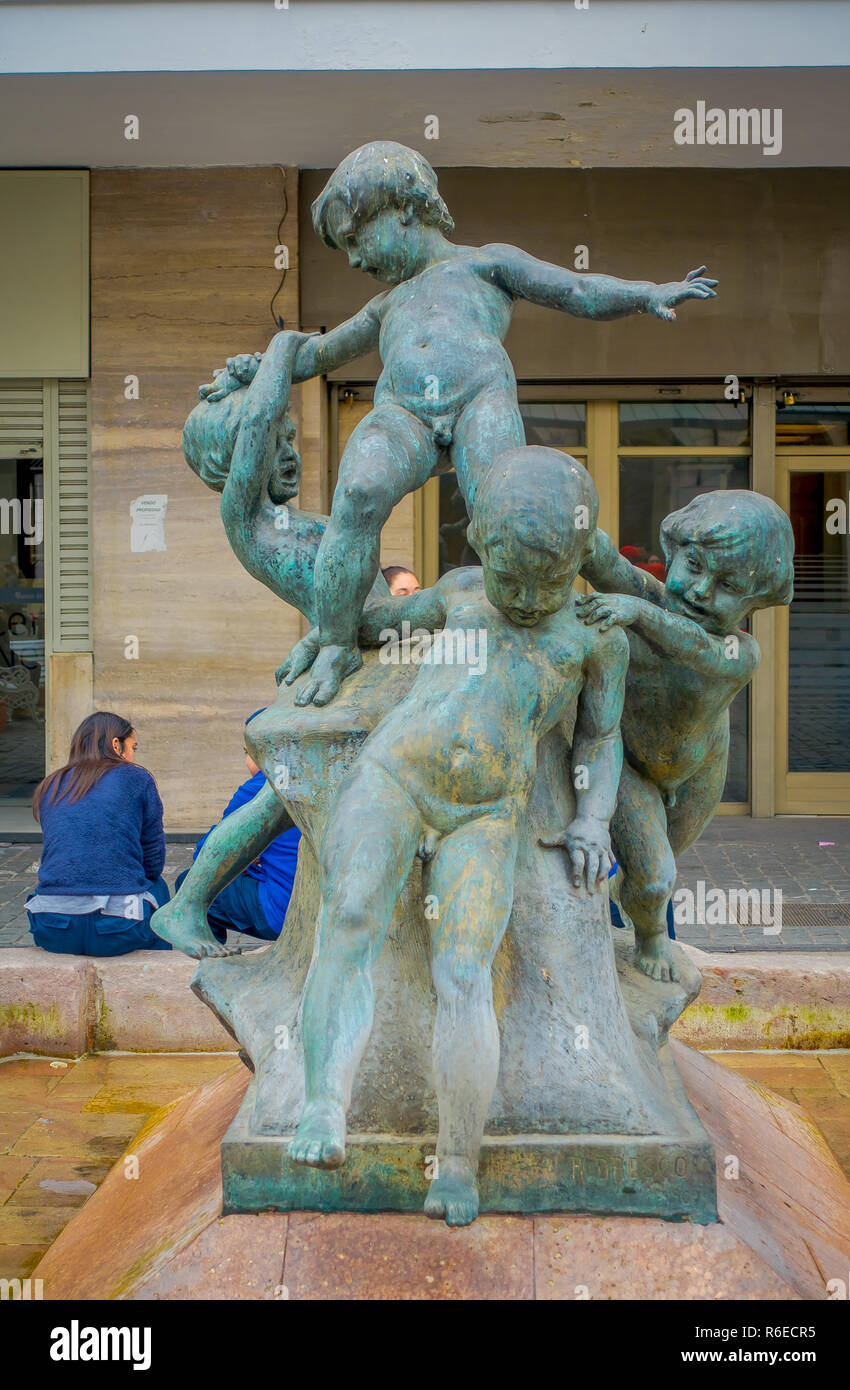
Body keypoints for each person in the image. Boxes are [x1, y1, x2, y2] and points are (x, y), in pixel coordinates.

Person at [205, 140, 716, 707]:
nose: (353, 260)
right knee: (355, 493)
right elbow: (316, 356)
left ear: (405, 207)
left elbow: (575, 290)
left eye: (356, 238)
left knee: (517, 511)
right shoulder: (385, 305)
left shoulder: (484, 263)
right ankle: (336, 642)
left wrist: (646, 293)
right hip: (403, 412)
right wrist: (256, 369)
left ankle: (632, 592)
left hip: (480, 400)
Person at [286, 446, 627, 1228]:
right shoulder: (462, 593)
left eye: (549, 585)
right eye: (513, 581)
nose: (530, 600)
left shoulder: (594, 641)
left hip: (486, 815)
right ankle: (321, 1108)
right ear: (480, 546)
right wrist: (328, 638)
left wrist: (592, 818)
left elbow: (598, 742)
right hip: (395, 777)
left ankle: (459, 1158)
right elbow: (378, 625)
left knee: (465, 972)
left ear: (580, 558)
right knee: (349, 917)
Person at [579, 490, 794, 982]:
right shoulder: (648, 595)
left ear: (756, 602)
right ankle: (650, 938)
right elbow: (604, 560)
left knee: (658, 874)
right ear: (673, 550)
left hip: (696, 775)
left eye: (727, 586)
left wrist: (636, 613)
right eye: (694, 565)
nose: (699, 590)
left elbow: (693, 647)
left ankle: (643, 925)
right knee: (654, 878)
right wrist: (574, 532)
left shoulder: (739, 652)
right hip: (628, 761)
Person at [27, 712, 170, 956]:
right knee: (158, 887)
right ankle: (161, 968)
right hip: (119, 929)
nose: (133, 755)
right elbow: (153, 861)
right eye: (132, 747)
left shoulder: (50, 784)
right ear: (116, 744)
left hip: (52, 928)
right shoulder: (137, 777)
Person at [171, 712, 300, 948]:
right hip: (327, 911)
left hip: (282, 913)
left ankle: (207, 961)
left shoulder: (258, 788)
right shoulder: (319, 779)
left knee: (188, 885)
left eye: (246, 752)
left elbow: (207, 854)